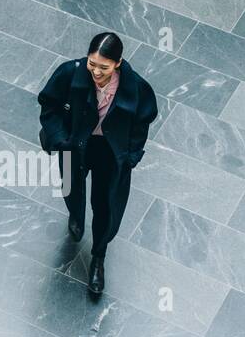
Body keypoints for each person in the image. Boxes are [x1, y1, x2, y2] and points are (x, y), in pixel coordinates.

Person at [38, 31, 158, 297]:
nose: (96, 72)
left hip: (110, 151)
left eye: (103, 67)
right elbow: (49, 105)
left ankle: (98, 257)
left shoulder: (135, 87)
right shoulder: (70, 73)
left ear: (117, 63)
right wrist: (60, 139)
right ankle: (76, 217)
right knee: (71, 188)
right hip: (74, 145)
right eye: (93, 64)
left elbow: (142, 122)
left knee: (105, 205)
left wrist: (131, 155)